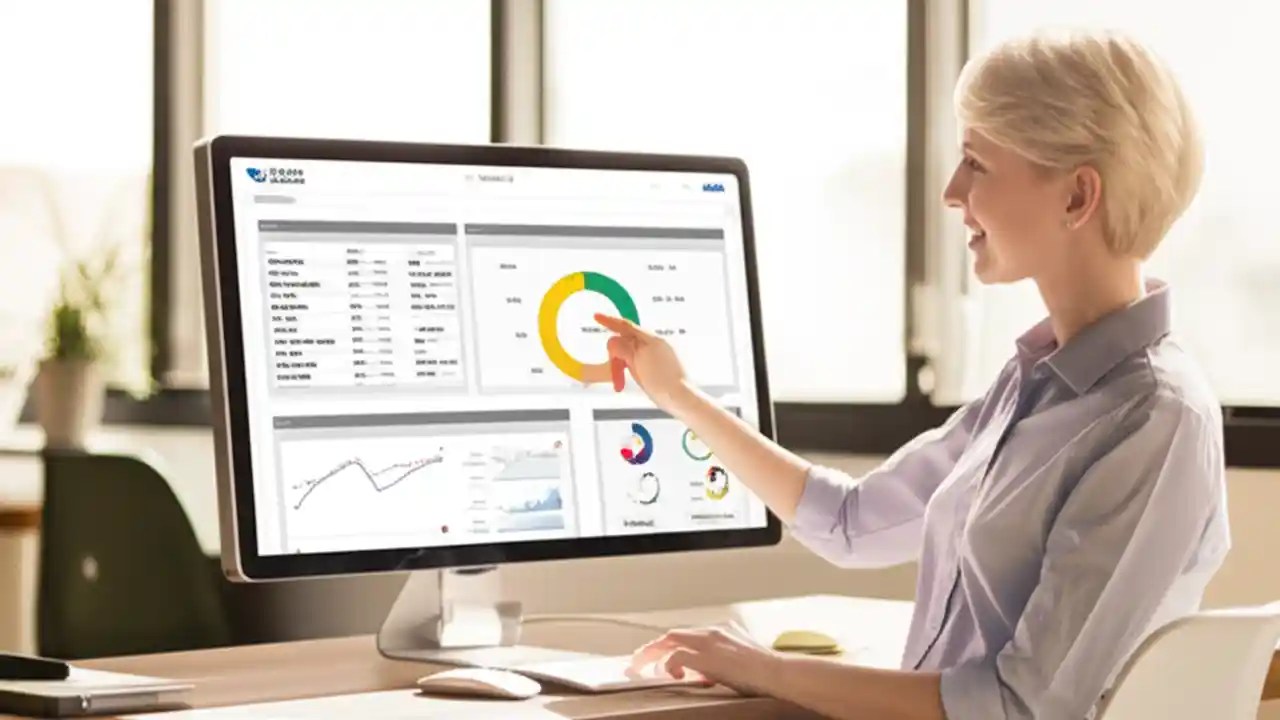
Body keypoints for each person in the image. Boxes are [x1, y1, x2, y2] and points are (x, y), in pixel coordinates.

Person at [596, 28, 1230, 720]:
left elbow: (1018, 706)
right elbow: (851, 522)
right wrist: (679, 397)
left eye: (977, 163)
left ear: (1077, 197)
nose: (953, 193)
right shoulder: (1036, 385)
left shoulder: (1154, 419)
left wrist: (765, 670)